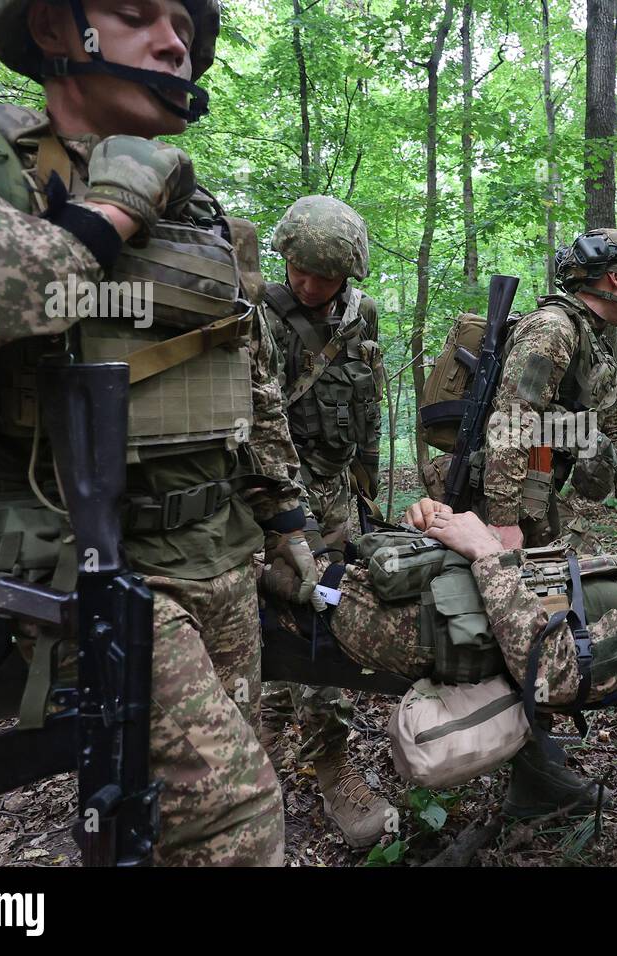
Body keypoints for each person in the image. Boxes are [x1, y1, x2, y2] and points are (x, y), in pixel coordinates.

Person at [0, 0, 319, 865]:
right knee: (235, 823)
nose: (178, 43)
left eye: (188, 30)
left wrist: (286, 521)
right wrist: (109, 210)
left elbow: (250, 382)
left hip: (218, 551)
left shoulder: (202, 215)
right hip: (76, 558)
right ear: (54, 29)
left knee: (185, 811)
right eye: (140, 16)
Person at [261, 499, 617, 817]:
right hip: (426, 597)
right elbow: (540, 588)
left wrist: (486, 554)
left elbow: (557, 675)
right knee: (290, 577)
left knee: (276, 591)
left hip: (412, 624)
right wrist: (449, 529)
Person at [259, 194, 393, 848]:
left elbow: (367, 402)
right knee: (292, 616)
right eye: (298, 270)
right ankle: (306, 749)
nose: (308, 285)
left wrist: (365, 480)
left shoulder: (360, 317)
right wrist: (281, 513)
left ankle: (312, 739)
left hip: (338, 496)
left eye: (324, 276)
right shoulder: (260, 314)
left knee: (331, 615)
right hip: (272, 500)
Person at [424, 229, 617, 549]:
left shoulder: (593, 341)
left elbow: (616, 423)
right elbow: (512, 420)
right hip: (505, 495)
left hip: (537, 494)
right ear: (615, 279)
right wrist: (502, 521)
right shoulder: (553, 329)